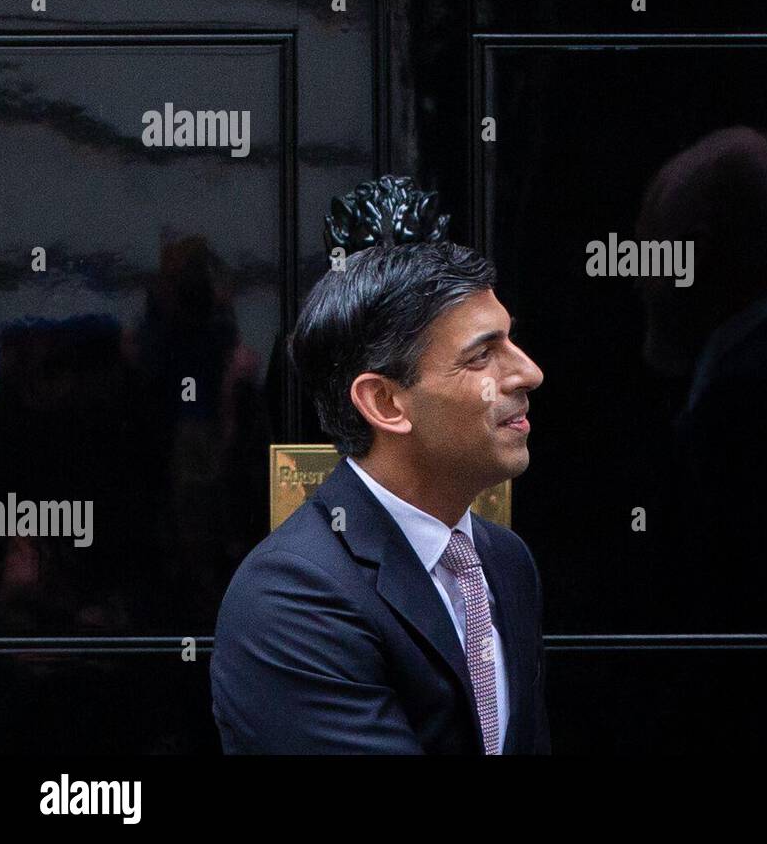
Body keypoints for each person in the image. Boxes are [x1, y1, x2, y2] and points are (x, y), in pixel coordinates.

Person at [211, 240, 549, 753]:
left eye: (511, 340)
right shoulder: (290, 598)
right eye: (482, 354)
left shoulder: (504, 560)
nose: (529, 372)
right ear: (386, 402)